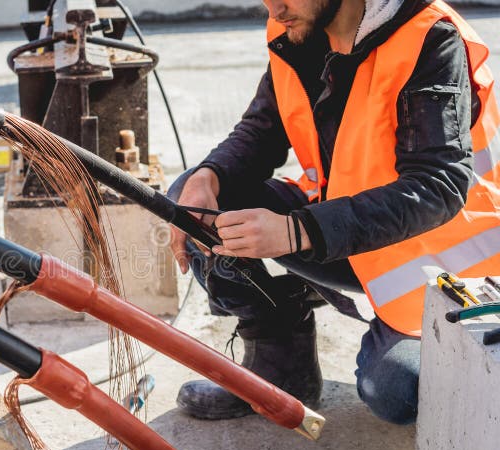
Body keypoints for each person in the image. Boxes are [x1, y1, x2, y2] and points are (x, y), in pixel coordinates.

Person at [169, 0, 499, 424]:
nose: (274, 8)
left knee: (393, 392)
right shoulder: (300, 27)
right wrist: (209, 174)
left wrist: (296, 231)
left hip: (437, 266)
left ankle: (390, 333)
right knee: (191, 202)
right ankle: (281, 364)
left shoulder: (429, 38)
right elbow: (263, 129)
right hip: (340, 232)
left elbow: (437, 185)